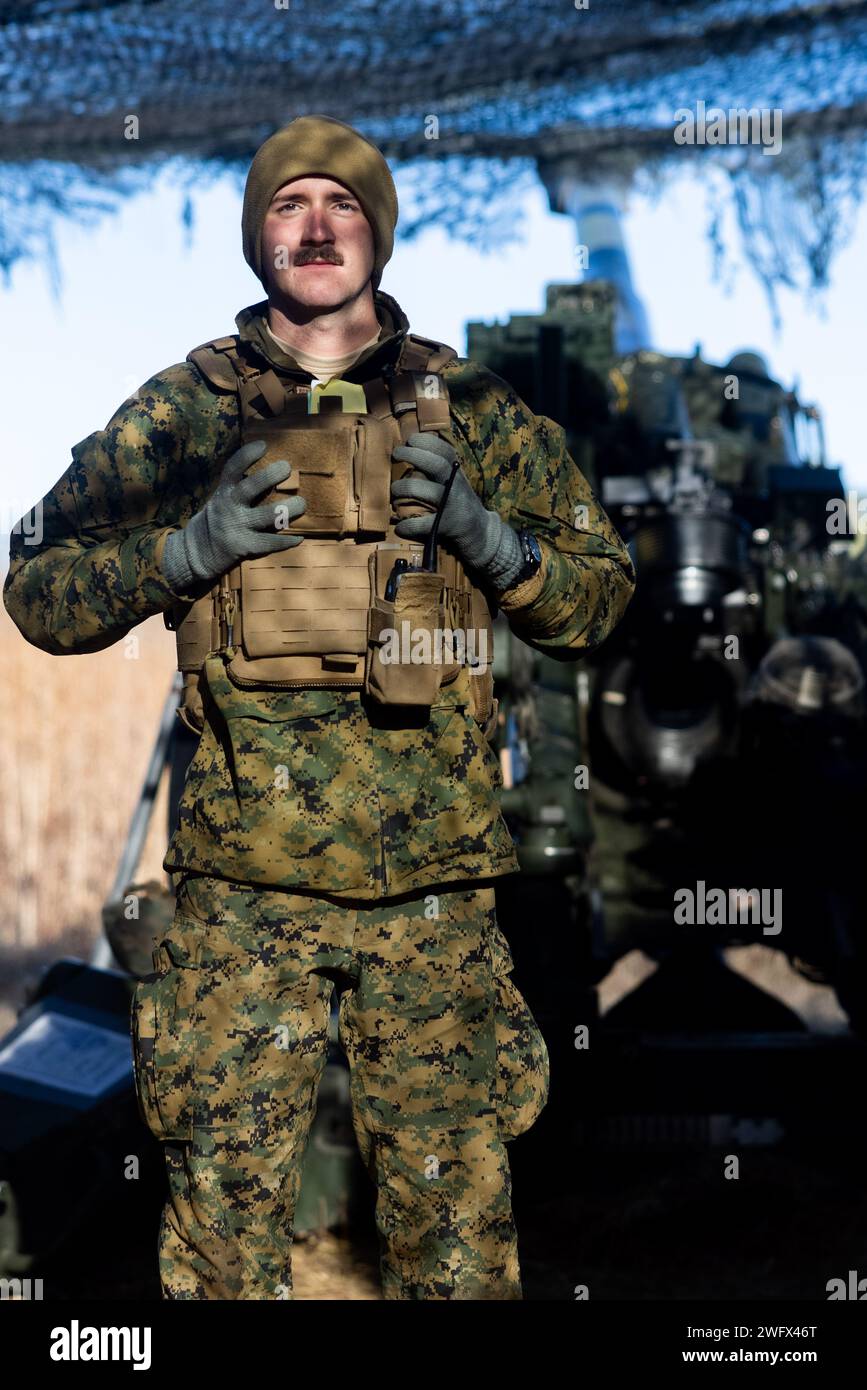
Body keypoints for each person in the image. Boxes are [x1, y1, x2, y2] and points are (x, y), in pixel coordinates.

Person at [4, 114, 636, 1299]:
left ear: (379, 233)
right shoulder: (185, 411)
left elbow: (599, 601)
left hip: (434, 900)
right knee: (221, 1243)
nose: (316, 225)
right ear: (258, 239)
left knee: (456, 1242)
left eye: (342, 203)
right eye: (288, 205)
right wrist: (181, 550)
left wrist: (488, 539)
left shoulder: (477, 409)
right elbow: (35, 583)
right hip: (244, 901)